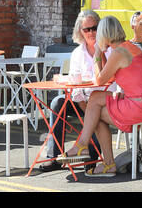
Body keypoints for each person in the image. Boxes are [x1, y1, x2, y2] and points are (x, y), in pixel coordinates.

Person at [58, 15, 142, 177]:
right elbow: (108, 77)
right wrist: (103, 53)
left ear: (104, 34)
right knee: (96, 98)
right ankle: (92, 152)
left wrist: (98, 51)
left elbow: (99, 79)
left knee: (95, 113)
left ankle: (96, 155)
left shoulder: (119, 52)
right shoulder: (127, 48)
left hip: (139, 106)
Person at [35, 10, 103, 171]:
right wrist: (86, 109)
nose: (91, 32)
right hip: (83, 102)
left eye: (95, 28)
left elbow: (111, 85)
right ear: (80, 31)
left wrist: (91, 109)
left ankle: (91, 158)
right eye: (87, 29)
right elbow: (75, 87)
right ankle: (55, 157)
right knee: (57, 102)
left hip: (102, 101)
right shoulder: (77, 54)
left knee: (95, 111)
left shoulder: (108, 50)